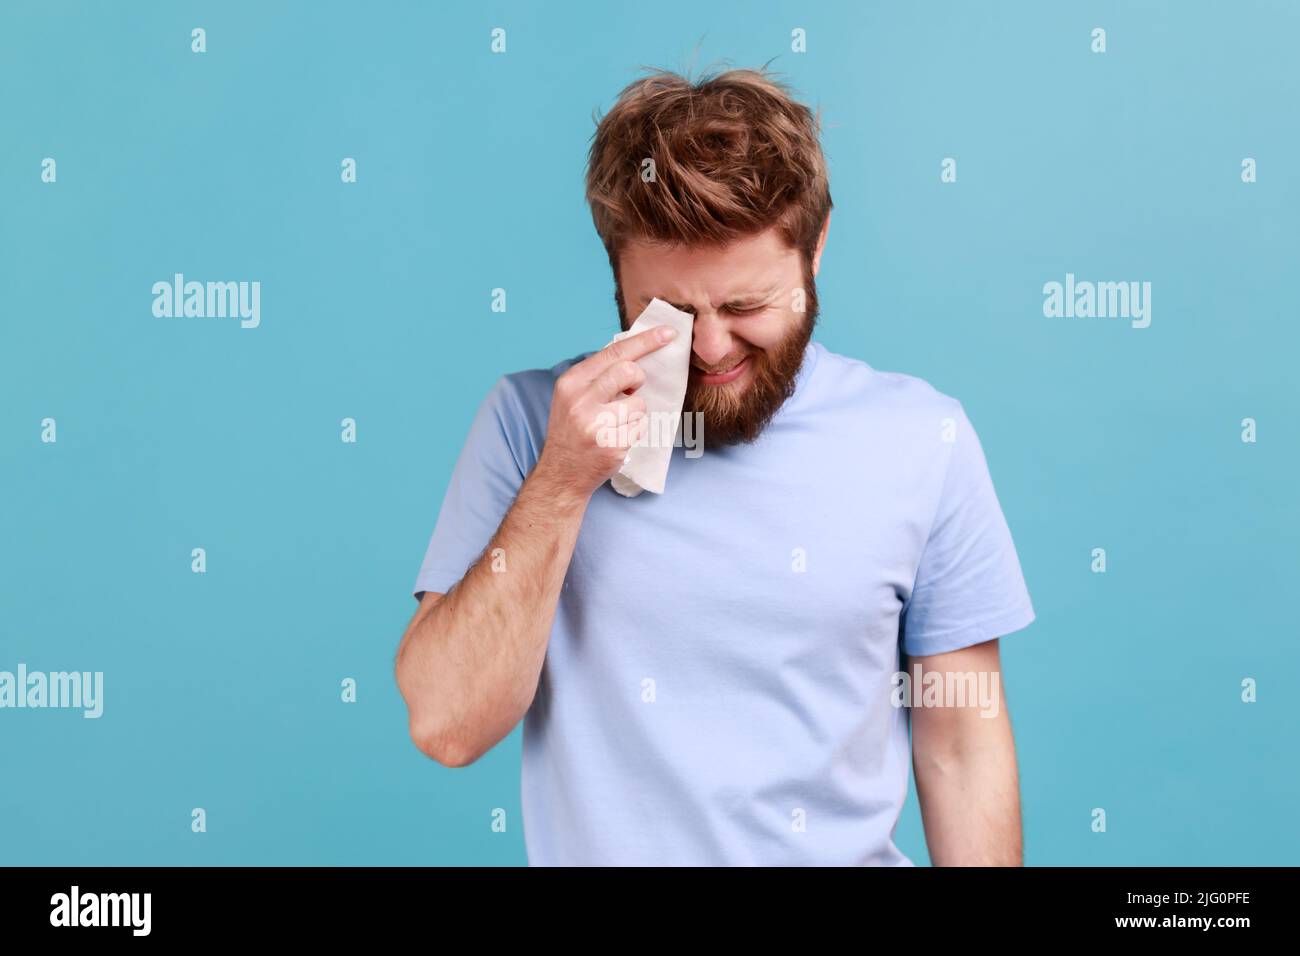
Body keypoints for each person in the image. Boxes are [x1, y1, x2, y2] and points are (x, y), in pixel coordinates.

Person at [395, 68, 1035, 866]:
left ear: (817, 247)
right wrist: (562, 481)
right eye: (669, 313)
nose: (711, 348)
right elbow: (447, 724)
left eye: (745, 307)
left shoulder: (922, 439)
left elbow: (961, 747)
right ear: (616, 273)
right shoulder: (531, 426)